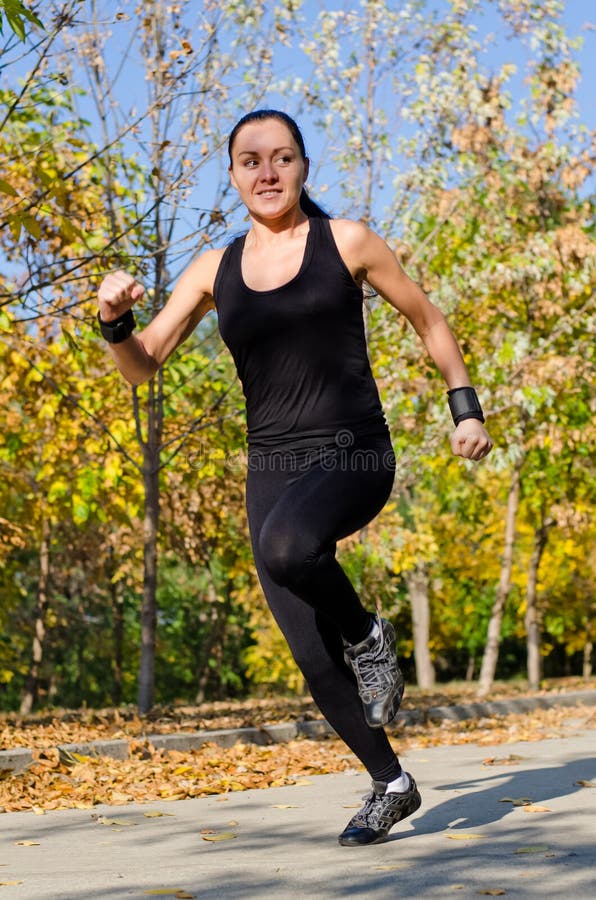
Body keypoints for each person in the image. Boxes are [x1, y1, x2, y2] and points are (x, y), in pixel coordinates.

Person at [97, 109, 493, 846]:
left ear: (304, 166)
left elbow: (429, 319)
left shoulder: (347, 241)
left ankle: (369, 635)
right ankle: (391, 784)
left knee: (287, 548)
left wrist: (464, 408)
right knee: (310, 653)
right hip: (272, 468)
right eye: (251, 161)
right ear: (234, 175)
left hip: (354, 451)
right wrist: (115, 322)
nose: (268, 172)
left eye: (282, 158)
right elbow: (143, 364)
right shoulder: (213, 270)